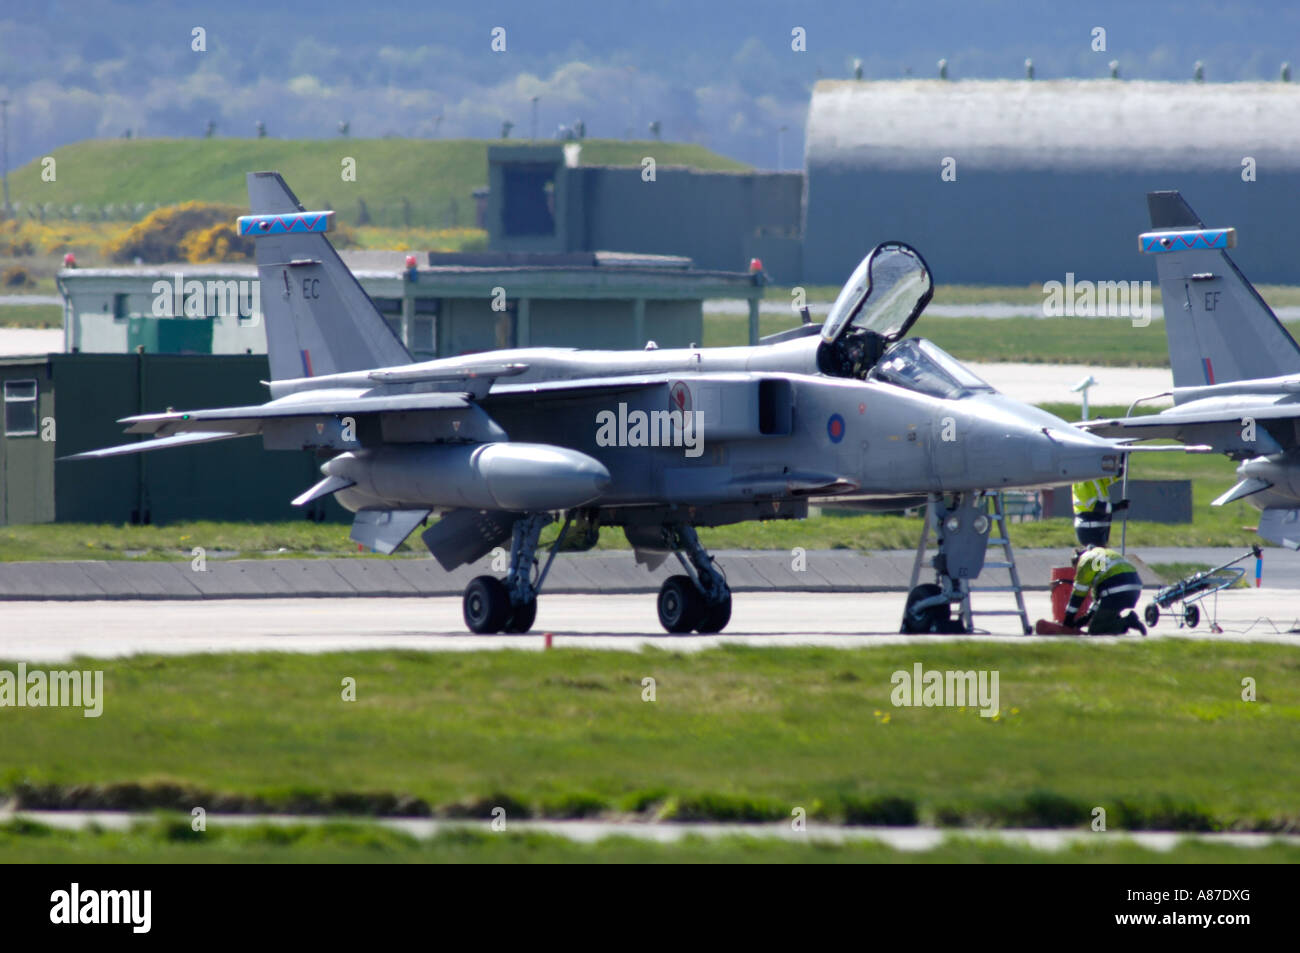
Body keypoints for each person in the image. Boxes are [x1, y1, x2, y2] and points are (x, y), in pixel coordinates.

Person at [1064, 546, 1147, 635]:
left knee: (1096, 630)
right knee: (1106, 619)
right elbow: (1099, 597)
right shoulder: (1099, 554)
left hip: (1117, 590)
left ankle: (1128, 621)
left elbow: (1078, 593)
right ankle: (1119, 622)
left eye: (1076, 569)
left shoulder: (1085, 561)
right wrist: (1088, 616)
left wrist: (1069, 618)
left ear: (1077, 561)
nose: (1077, 572)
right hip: (1133, 587)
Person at [1071, 468, 1128, 546]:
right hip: (1089, 528)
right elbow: (1094, 505)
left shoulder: (1092, 477)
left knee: (1101, 552)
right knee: (1094, 552)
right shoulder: (1080, 481)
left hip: (1101, 526)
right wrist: (1117, 507)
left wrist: (1118, 470)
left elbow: (1105, 480)